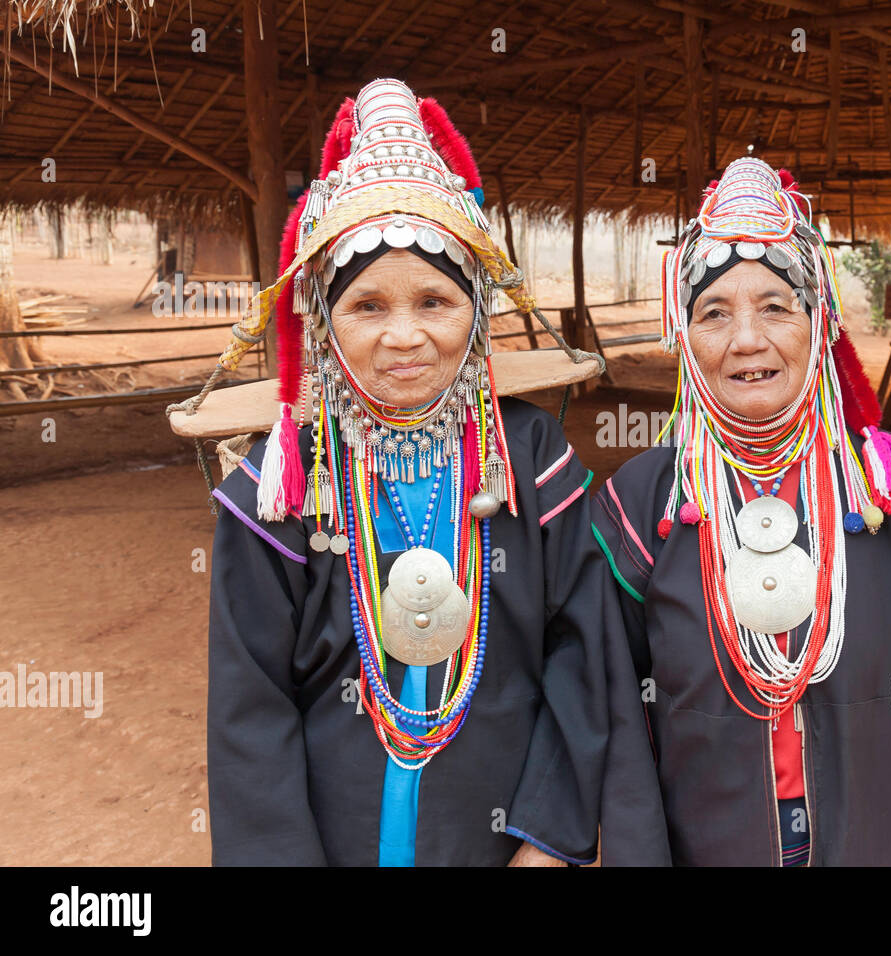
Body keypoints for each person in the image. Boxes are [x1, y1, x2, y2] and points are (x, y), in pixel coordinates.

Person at [205, 78, 613, 866]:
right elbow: (250, 711)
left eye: (434, 301)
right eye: (367, 306)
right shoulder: (283, 485)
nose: (404, 337)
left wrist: (548, 837)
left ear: (477, 315)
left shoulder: (529, 458)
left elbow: (583, 652)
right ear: (324, 323)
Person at [593, 157, 891, 866]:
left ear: (819, 320)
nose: (747, 339)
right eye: (714, 313)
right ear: (684, 337)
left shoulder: (886, 490)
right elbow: (620, 719)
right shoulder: (644, 506)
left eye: (776, 306)